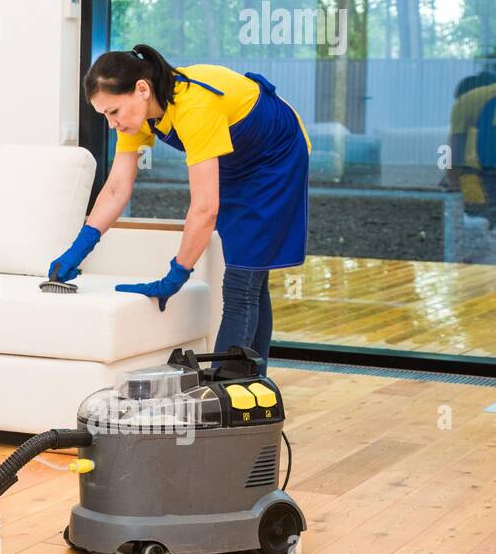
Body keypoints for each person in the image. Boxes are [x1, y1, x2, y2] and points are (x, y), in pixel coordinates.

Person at [50, 45, 311, 375]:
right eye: (104, 116)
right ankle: (251, 387)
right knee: (250, 274)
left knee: (240, 282)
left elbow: (204, 209)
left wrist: (176, 275)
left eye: (113, 111)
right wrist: (77, 250)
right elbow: (117, 188)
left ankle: (224, 392)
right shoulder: (140, 116)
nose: (112, 124)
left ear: (142, 89)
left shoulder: (194, 105)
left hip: (275, 157)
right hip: (234, 158)